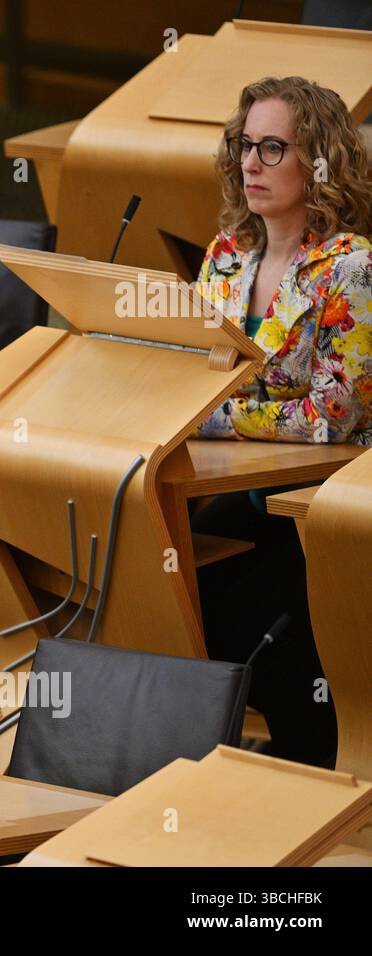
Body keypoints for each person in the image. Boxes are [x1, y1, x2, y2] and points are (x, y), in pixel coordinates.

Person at [192, 76, 372, 767]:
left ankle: (309, 780)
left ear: (319, 162)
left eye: (273, 148)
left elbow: (333, 416)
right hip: (242, 483)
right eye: (245, 146)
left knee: (267, 622)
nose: (251, 164)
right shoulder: (228, 253)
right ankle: (207, 766)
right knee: (177, 582)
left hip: (327, 501)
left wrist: (222, 417)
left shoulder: (350, 268)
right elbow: (193, 374)